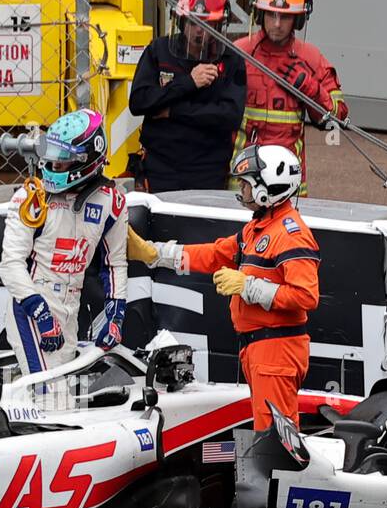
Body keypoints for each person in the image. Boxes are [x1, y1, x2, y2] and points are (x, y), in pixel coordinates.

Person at [128, 145, 318, 432]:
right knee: (268, 433)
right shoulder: (259, 228)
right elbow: (214, 254)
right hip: (261, 348)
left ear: (268, 188)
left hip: (276, 350)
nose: (241, 189)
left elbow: (306, 296)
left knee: (274, 437)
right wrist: (155, 254)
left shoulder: (291, 234)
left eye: (246, 183)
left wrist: (247, 286)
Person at [0, 109, 128, 405]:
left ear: (88, 159)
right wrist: (41, 313)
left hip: (72, 303)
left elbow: (115, 263)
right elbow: (10, 264)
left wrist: (116, 315)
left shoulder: (113, 201)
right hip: (33, 302)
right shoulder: (30, 198)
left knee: (63, 394)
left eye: (63, 158)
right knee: (50, 397)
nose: (54, 164)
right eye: (52, 154)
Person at [233, 0, 347, 197]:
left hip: (288, 181)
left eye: (285, 17)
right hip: (244, 175)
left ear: (299, 19)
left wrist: (311, 89)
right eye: (271, 14)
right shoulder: (239, 53)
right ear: (260, 14)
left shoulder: (311, 58)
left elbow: (337, 117)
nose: (277, 24)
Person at [128, 0, 247, 192]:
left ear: (218, 24)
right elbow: (139, 102)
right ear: (182, 21)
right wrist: (189, 82)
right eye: (193, 23)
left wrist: (173, 111)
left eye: (206, 24)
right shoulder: (159, 50)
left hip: (207, 169)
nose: (199, 31)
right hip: (160, 167)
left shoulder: (231, 60)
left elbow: (229, 116)